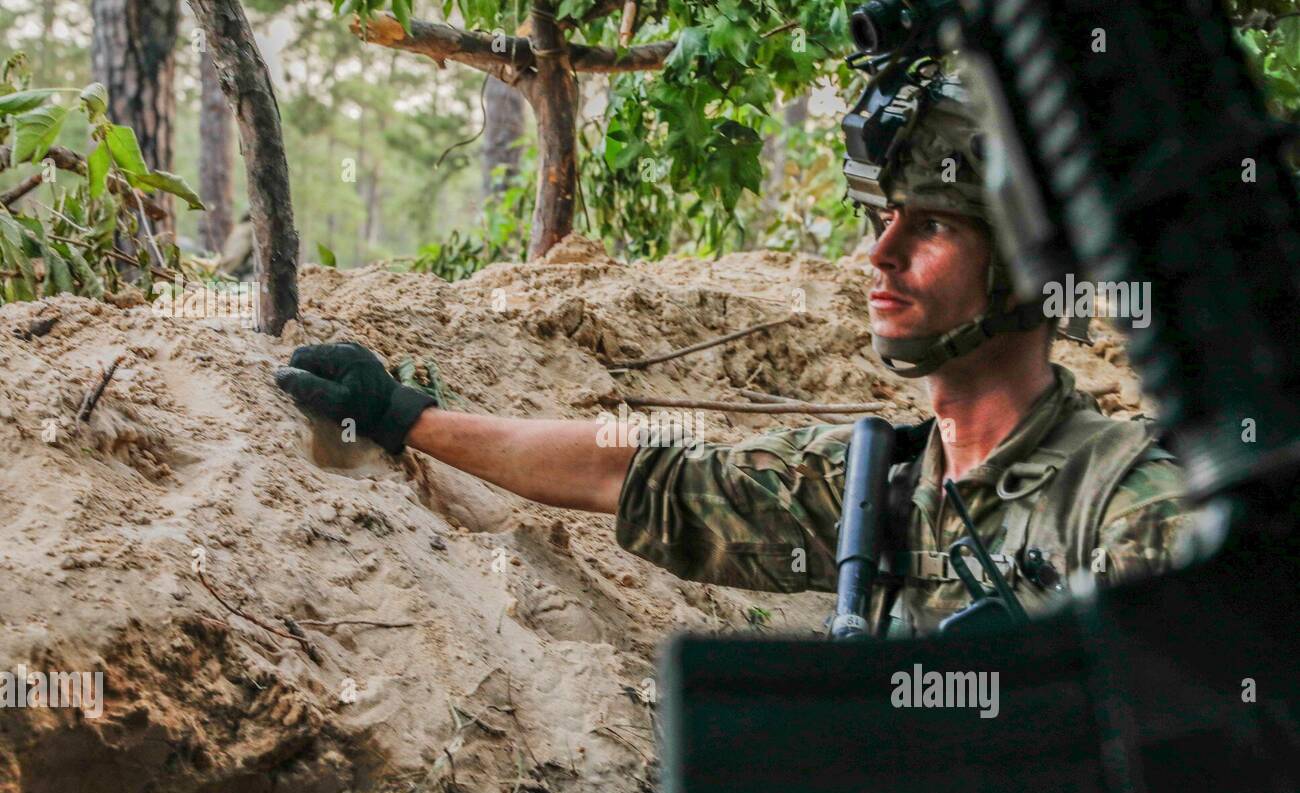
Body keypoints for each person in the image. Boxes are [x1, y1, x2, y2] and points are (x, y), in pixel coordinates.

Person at [274, 70, 1189, 639]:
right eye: (880, 221)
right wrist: (404, 415)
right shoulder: (880, 483)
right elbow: (634, 476)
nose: (881, 254)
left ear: (1029, 265)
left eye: (934, 226)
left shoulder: (1129, 509)